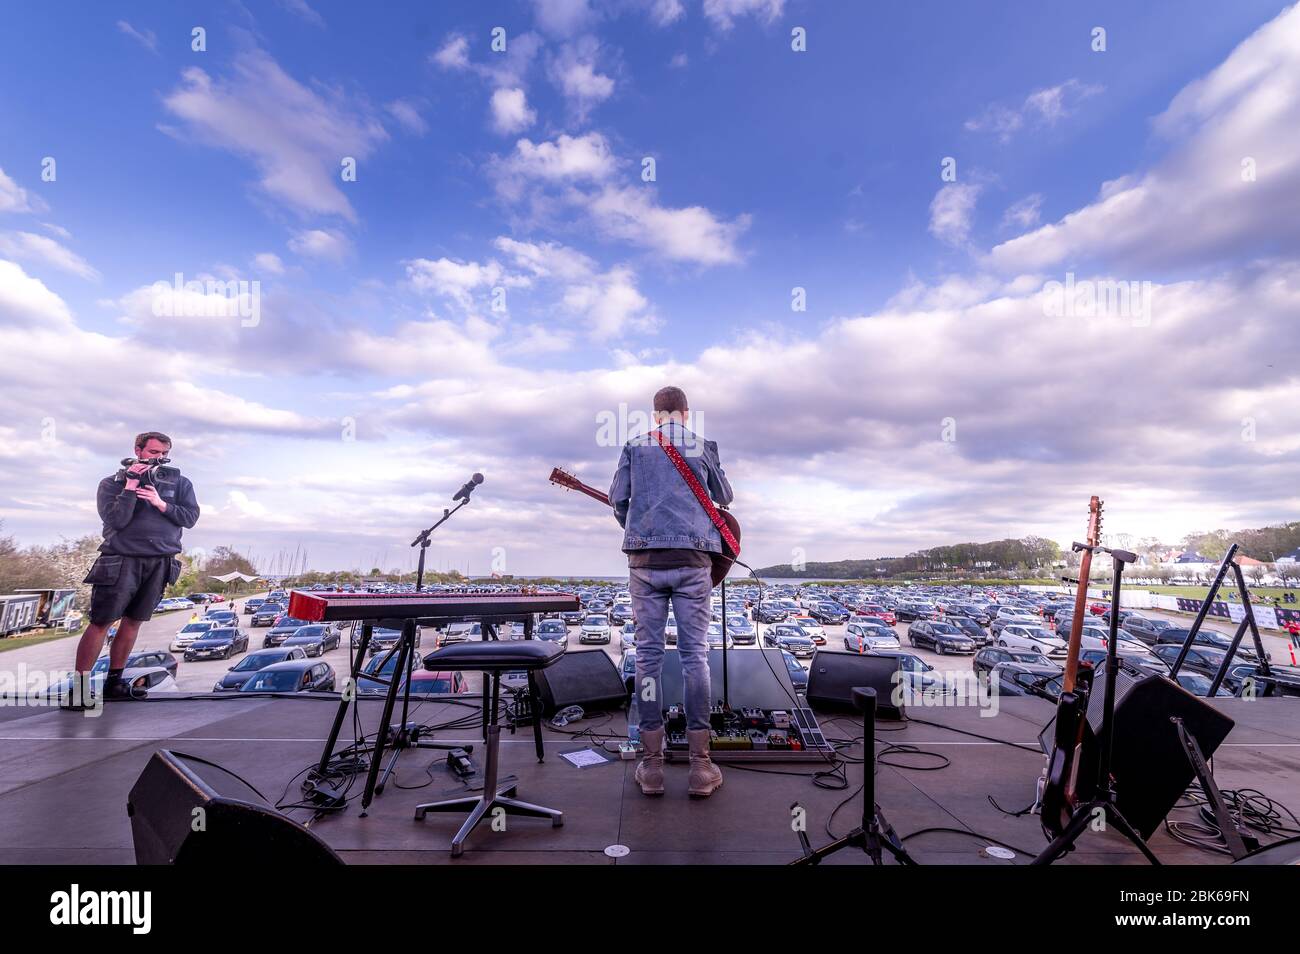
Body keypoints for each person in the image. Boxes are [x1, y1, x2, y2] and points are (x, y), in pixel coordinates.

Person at [609, 386, 734, 797]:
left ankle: (652, 766)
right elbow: (725, 496)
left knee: (647, 656)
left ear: (656, 414)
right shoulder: (703, 446)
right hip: (694, 559)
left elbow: (618, 500)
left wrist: (642, 527)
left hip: (644, 562)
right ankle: (701, 767)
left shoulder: (633, 446)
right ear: (685, 412)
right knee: (694, 656)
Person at [63, 431, 200, 707]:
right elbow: (116, 519)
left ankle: (115, 682)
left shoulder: (180, 483)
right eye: (153, 453)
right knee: (102, 622)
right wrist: (130, 487)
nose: (159, 459)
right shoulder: (111, 483)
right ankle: (78, 690)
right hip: (121, 558)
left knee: (134, 621)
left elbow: (190, 517)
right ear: (137, 451)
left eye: (163, 454)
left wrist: (160, 503)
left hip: (161, 559)